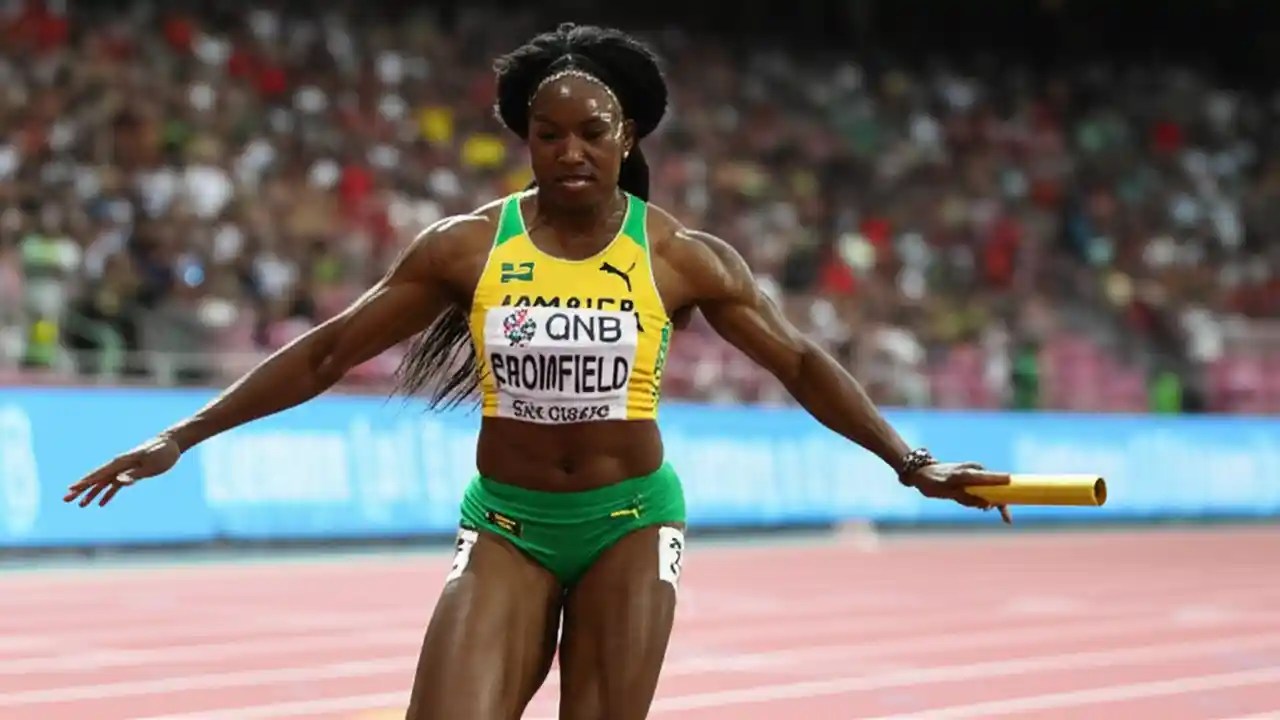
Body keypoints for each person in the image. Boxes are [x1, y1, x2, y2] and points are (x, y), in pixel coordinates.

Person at [64, 23, 1012, 720]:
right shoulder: (465, 248)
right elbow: (324, 352)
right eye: (549, 134)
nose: (571, 151)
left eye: (592, 132)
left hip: (630, 524)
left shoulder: (683, 256)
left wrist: (909, 460)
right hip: (509, 525)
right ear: (525, 138)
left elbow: (801, 361)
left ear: (629, 136)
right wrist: (179, 435)